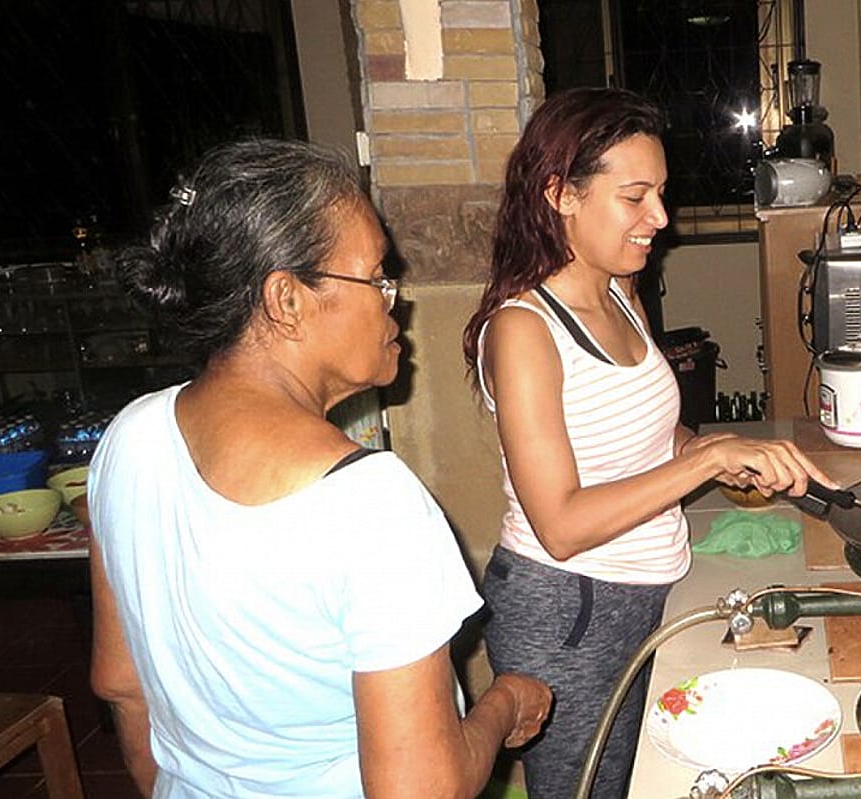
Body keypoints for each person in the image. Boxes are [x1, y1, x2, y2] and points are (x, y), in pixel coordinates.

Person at [89, 138, 551, 799]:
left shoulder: (130, 437)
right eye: (376, 275)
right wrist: (505, 702)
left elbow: (120, 684)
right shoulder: (370, 505)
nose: (394, 300)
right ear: (287, 300)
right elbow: (423, 789)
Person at [461, 88, 832, 799]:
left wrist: (712, 450)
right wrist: (707, 461)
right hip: (568, 608)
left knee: (652, 777)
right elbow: (561, 524)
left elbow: (651, 434)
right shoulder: (523, 330)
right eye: (634, 197)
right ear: (560, 194)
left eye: (659, 194)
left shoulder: (621, 291)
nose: (660, 218)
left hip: (647, 587)